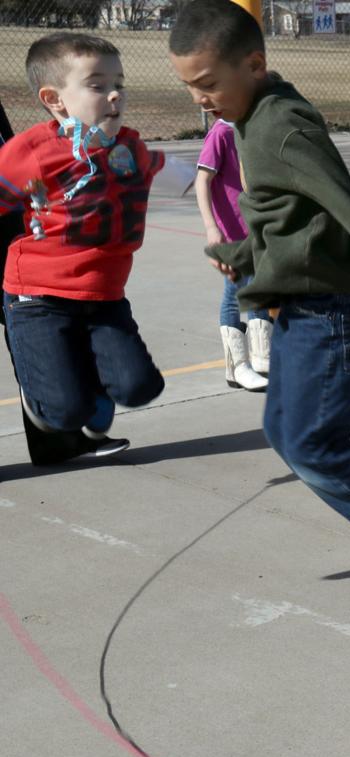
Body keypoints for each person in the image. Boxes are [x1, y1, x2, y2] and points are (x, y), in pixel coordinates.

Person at [169, 0, 350, 600]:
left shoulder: (283, 127)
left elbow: (347, 210)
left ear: (253, 65)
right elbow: (288, 219)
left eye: (206, 84)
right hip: (301, 308)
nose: (199, 98)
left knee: (309, 440)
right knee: (283, 431)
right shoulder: (248, 118)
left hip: (335, 310)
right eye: (189, 86)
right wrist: (246, 254)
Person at [0, 33, 169, 459]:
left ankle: (79, 387)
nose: (114, 93)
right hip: (38, 296)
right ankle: (50, 401)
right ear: (55, 99)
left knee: (141, 387)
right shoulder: (32, 151)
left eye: (119, 83)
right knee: (63, 410)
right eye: (97, 84)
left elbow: (181, 175)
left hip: (104, 294)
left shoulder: (128, 146)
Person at [195, 115, 270, 392]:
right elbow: (202, 181)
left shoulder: (249, 128)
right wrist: (211, 227)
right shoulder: (221, 134)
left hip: (256, 227)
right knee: (235, 291)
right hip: (232, 232)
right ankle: (237, 365)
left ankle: (263, 357)